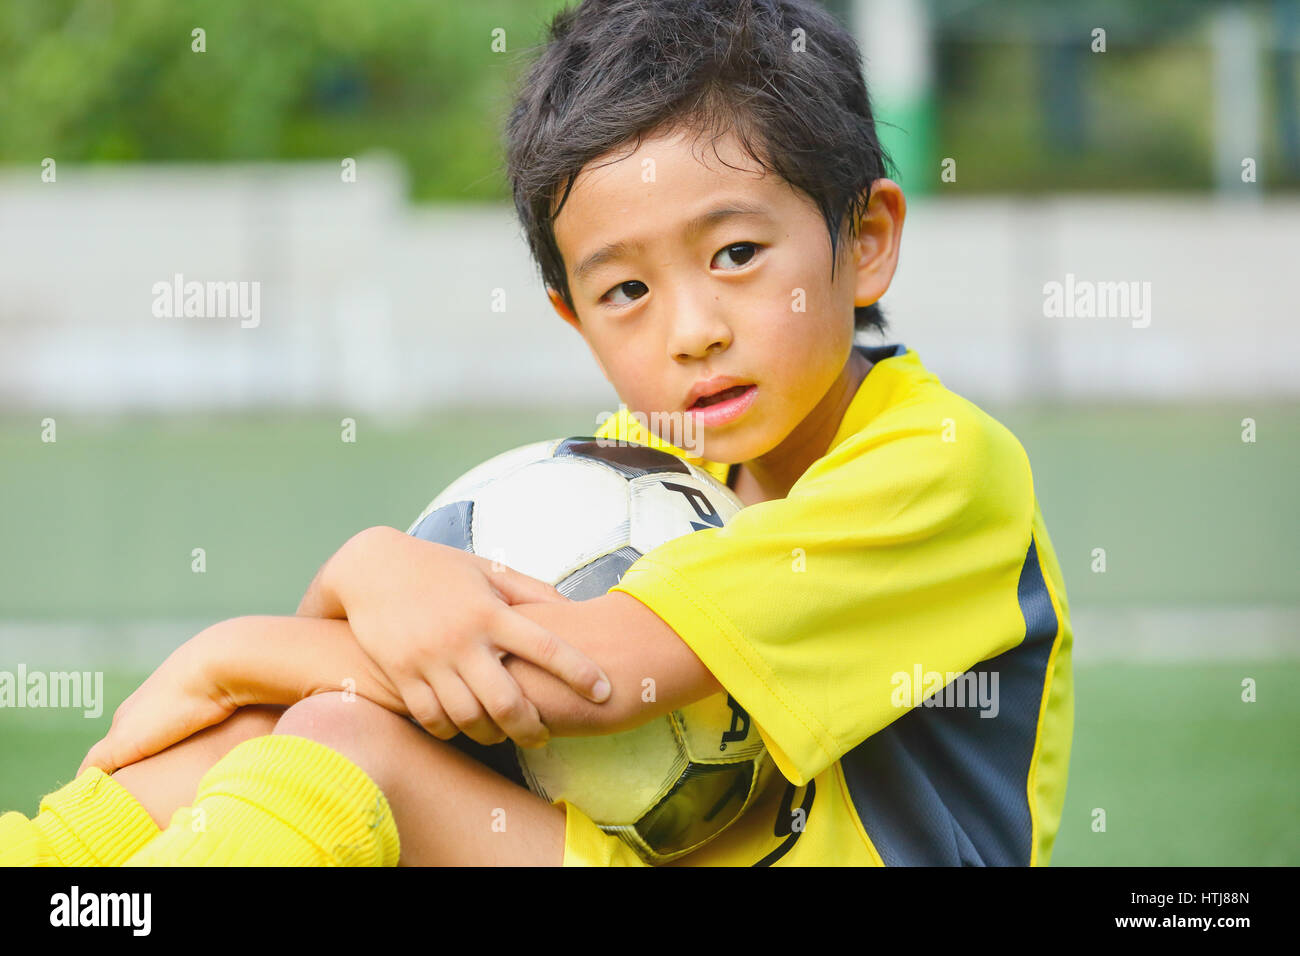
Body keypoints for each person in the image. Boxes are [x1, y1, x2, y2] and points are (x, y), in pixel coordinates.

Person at [0, 0, 1072, 866]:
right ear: (572, 314)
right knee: (283, 725)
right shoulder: (637, 470)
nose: (693, 331)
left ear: (866, 238)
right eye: (624, 290)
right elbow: (400, 666)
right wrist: (358, 594)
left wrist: (237, 643)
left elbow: (583, 681)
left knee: (339, 732)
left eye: (737, 255)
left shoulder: (939, 465)